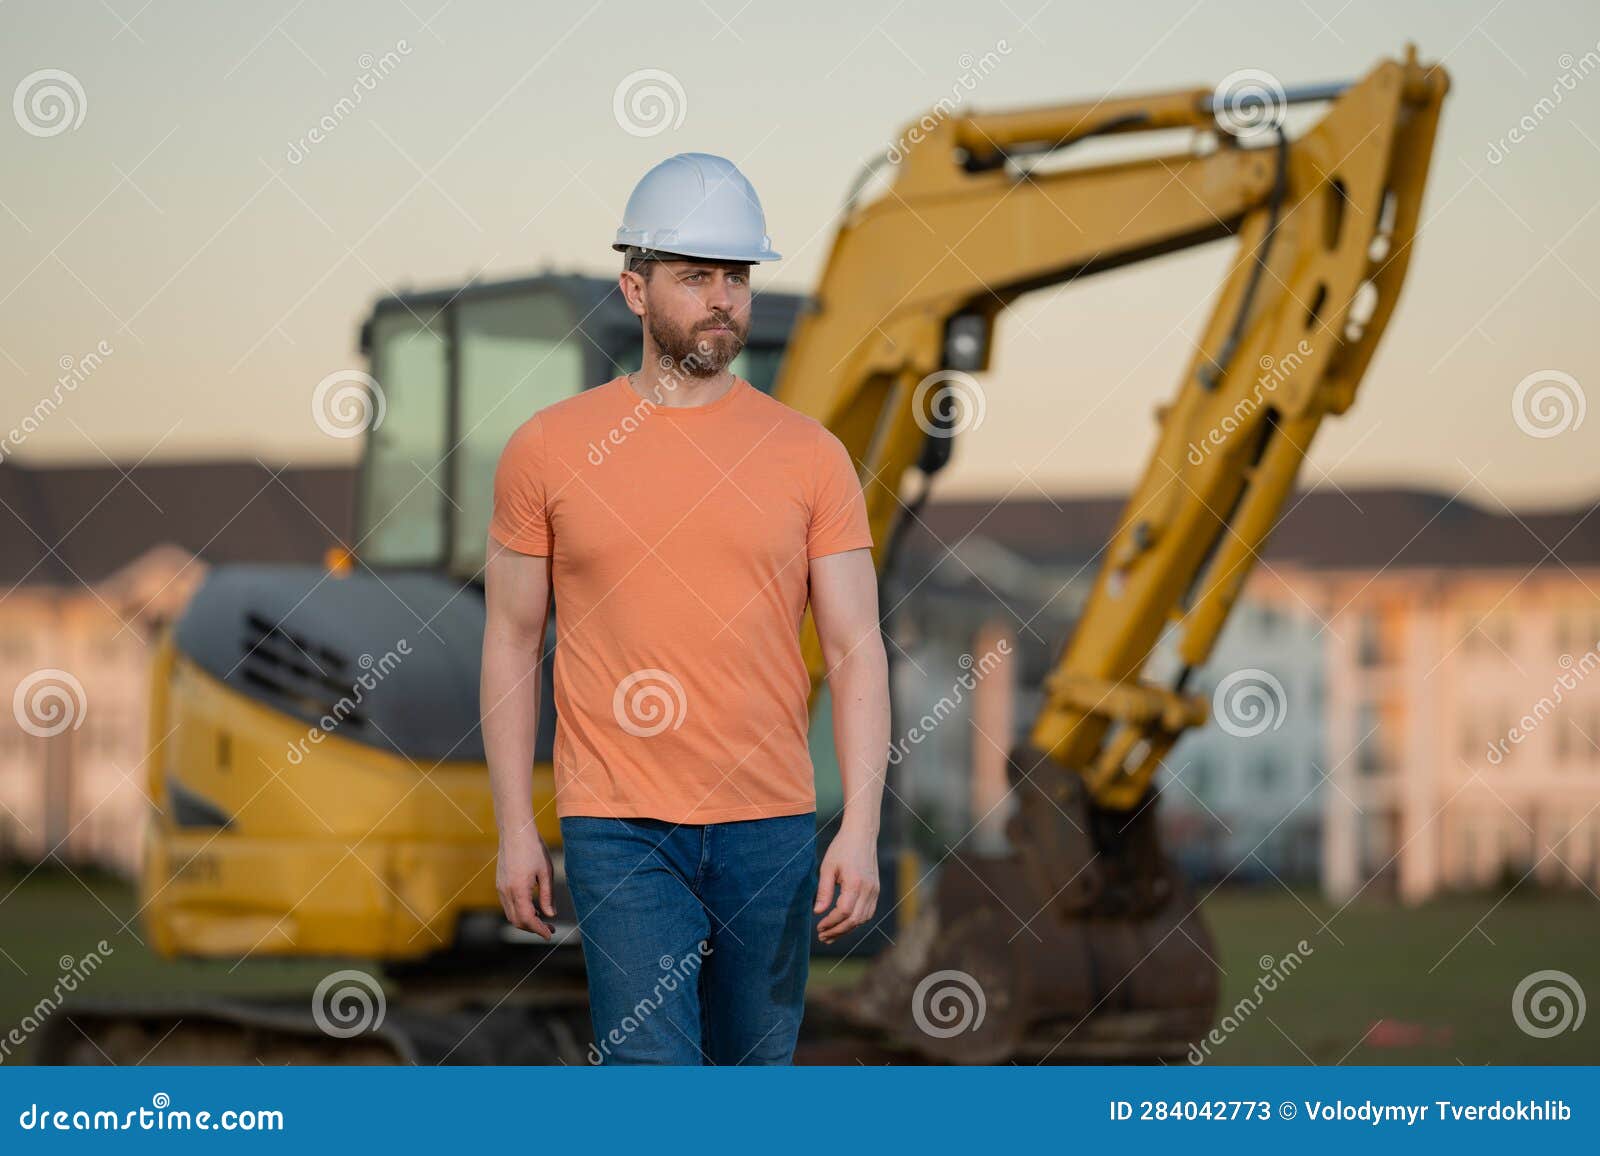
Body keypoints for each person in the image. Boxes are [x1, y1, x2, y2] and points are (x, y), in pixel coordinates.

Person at [480, 152, 889, 1065]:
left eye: (735, 276)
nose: (720, 298)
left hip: (770, 823)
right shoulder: (547, 450)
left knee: (752, 1083)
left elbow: (858, 650)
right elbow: (511, 642)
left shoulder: (811, 457)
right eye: (694, 275)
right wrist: (516, 828)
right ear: (635, 288)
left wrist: (857, 828)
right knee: (652, 1083)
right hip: (618, 827)